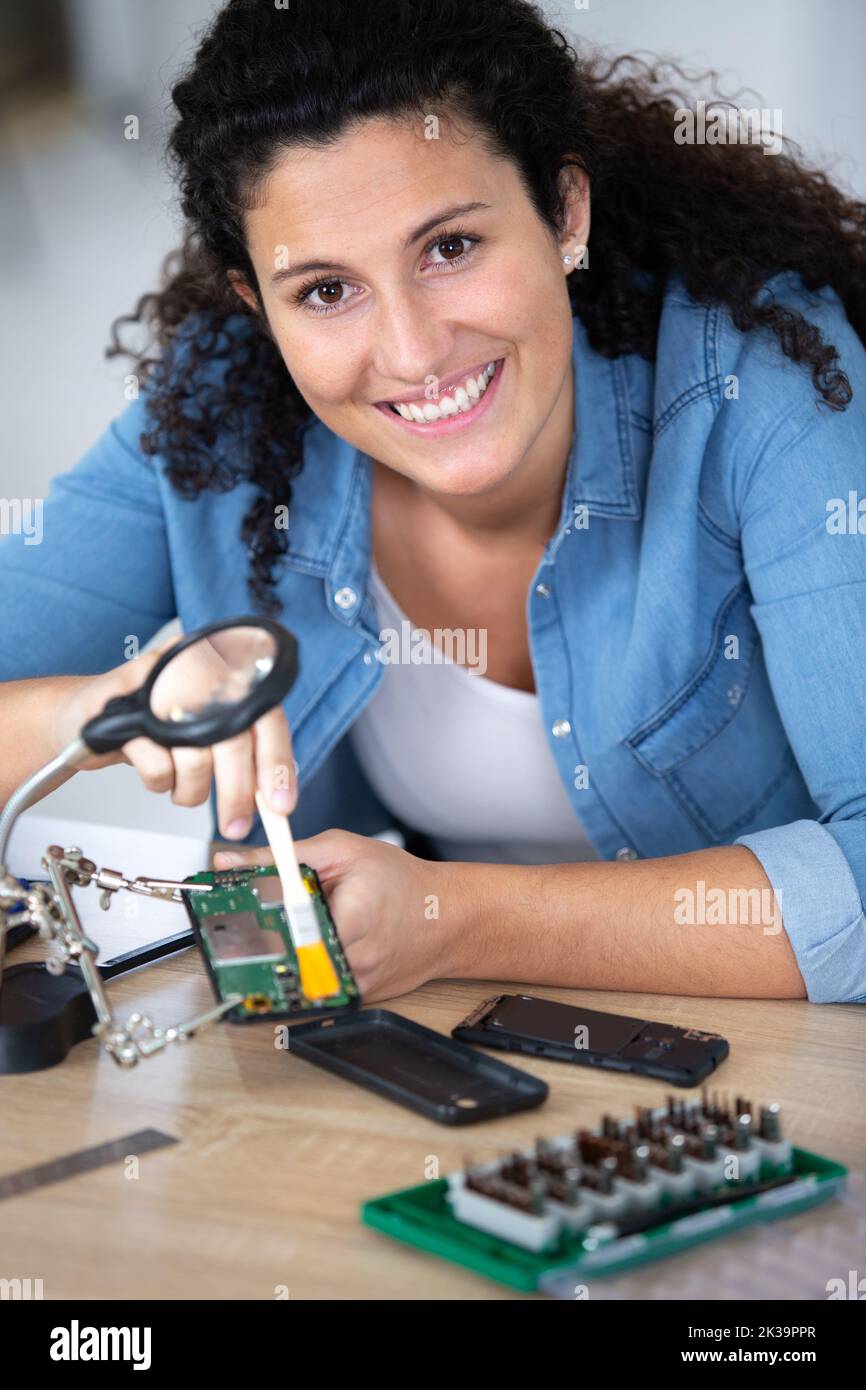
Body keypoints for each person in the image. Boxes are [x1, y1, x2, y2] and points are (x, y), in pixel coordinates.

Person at [2, 0, 865, 1006]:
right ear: (255, 306)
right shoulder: (219, 409)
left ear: (563, 212)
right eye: (324, 291)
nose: (411, 353)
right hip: (428, 1084)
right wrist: (103, 707)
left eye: (449, 247)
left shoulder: (761, 387)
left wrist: (449, 918)